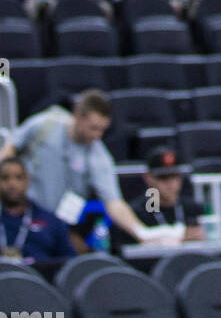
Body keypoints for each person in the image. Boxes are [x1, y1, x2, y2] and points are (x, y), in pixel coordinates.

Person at [0, 90, 163, 246]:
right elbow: (11, 146)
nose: (97, 135)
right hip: (17, 212)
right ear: (77, 116)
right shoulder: (45, 124)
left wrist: (142, 233)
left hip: (56, 224)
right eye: (93, 128)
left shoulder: (98, 156)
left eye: (102, 130)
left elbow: (114, 202)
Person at [0, 155, 75, 263]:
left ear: (27, 180)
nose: (12, 184)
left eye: (19, 177)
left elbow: (69, 262)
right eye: (5, 178)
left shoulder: (51, 221)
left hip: (39, 278)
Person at [125, 146, 204, 241]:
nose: (171, 184)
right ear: (148, 177)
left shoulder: (194, 209)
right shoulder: (136, 213)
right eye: (163, 178)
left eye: (174, 176)